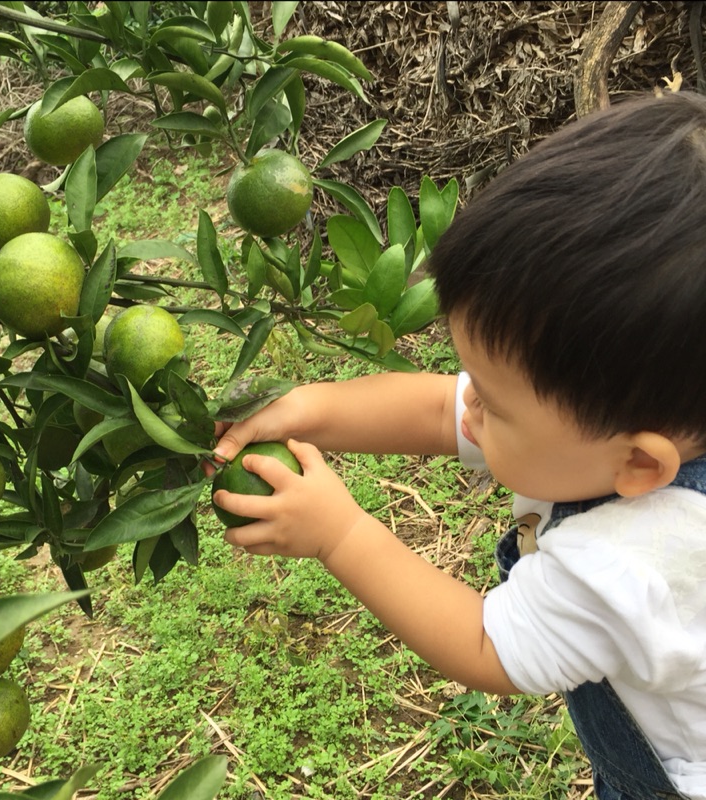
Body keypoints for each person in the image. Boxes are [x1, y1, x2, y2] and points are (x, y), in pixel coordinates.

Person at [211, 90, 706, 800]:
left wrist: (339, 534)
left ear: (638, 464)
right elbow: (436, 408)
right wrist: (308, 408)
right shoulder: (639, 408)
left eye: (493, 403)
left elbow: (484, 645)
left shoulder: (633, 564)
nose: (467, 401)